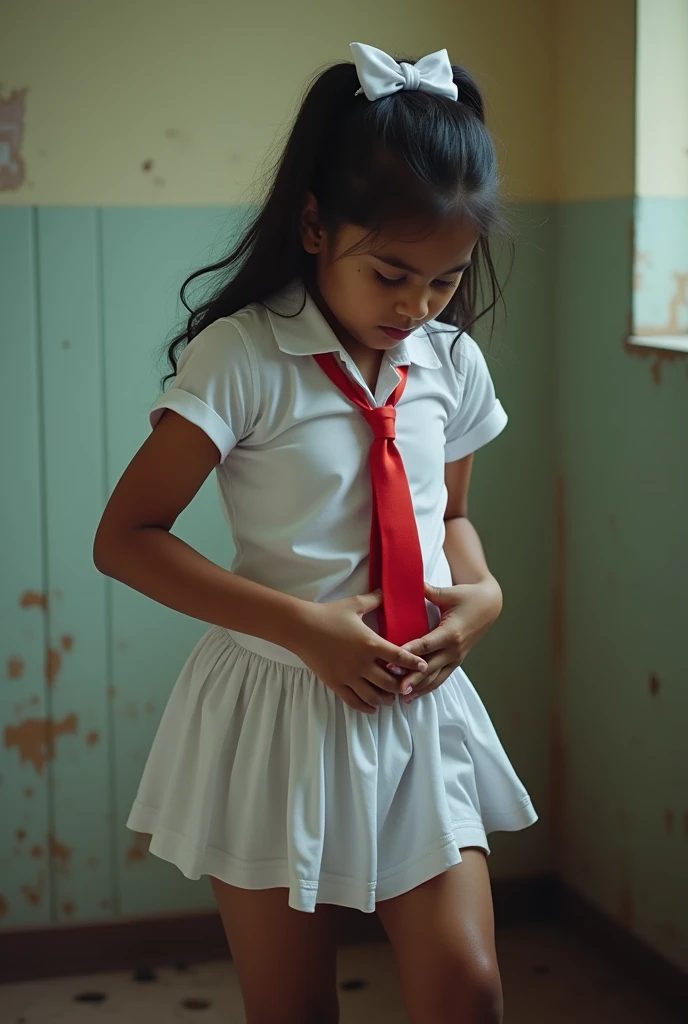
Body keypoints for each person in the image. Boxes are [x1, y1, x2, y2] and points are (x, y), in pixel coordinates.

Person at [94, 41, 538, 1024]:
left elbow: (452, 518)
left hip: (417, 713)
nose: (415, 307)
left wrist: (484, 596)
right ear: (312, 224)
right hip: (275, 712)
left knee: (468, 989)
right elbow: (125, 537)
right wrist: (304, 628)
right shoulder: (241, 358)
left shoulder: (450, 362)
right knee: (292, 1010)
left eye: (444, 280)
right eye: (391, 273)